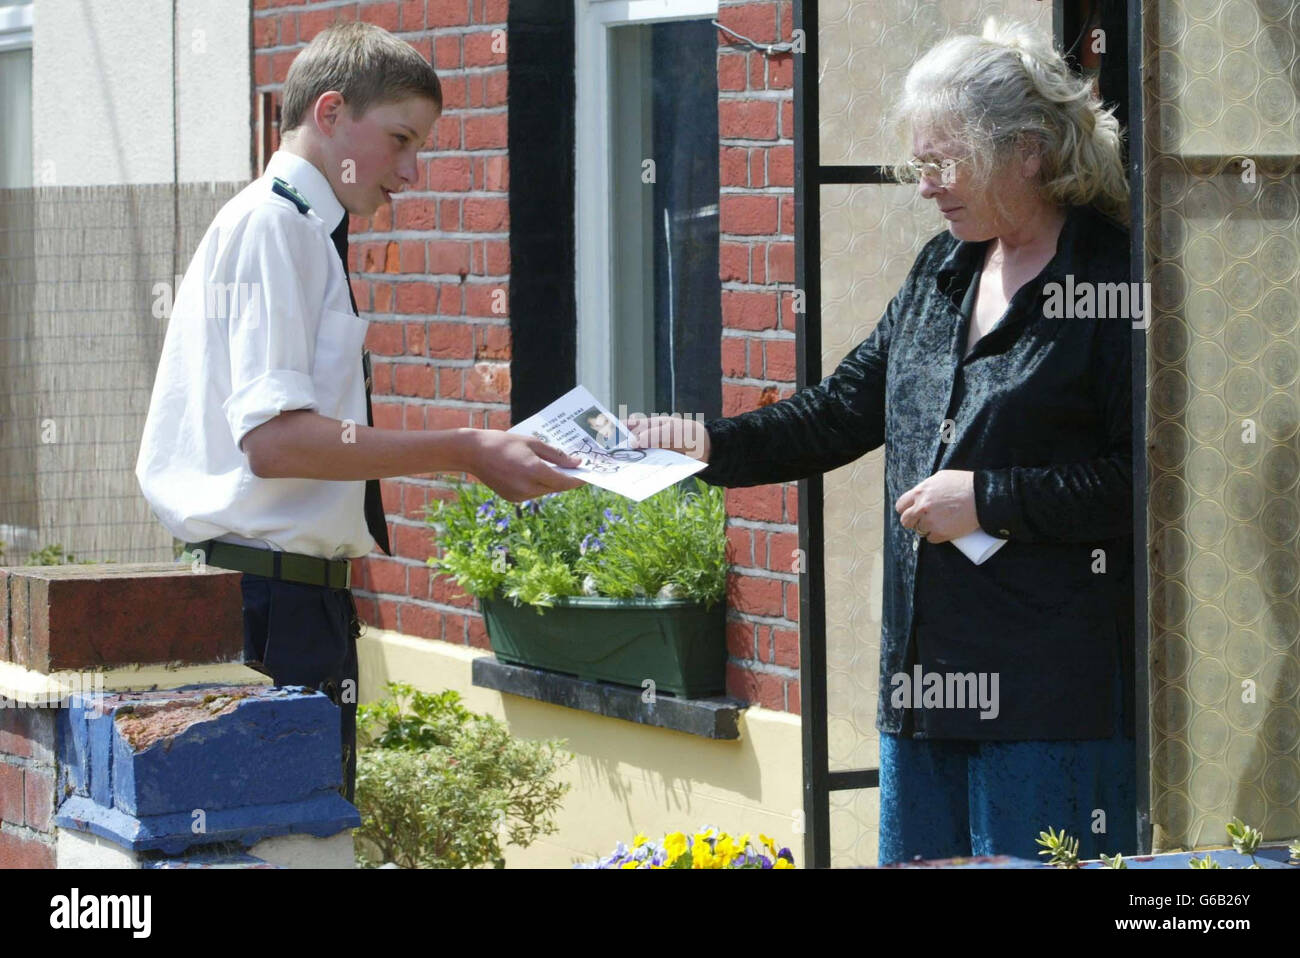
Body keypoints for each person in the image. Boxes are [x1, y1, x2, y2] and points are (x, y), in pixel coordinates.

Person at [629, 20, 1137, 864]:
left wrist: (988, 500)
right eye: (920, 163)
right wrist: (707, 447)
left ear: (1028, 152)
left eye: (946, 162)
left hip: (1049, 704)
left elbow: (1144, 481)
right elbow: (837, 414)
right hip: (924, 690)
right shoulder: (941, 272)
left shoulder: (1113, 283)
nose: (927, 186)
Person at [135, 22, 583, 803]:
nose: (412, 172)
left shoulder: (288, 224)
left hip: (280, 598)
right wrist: (469, 448)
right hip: (269, 607)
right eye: (401, 139)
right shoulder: (278, 226)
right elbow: (275, 443)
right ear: (333, 112)